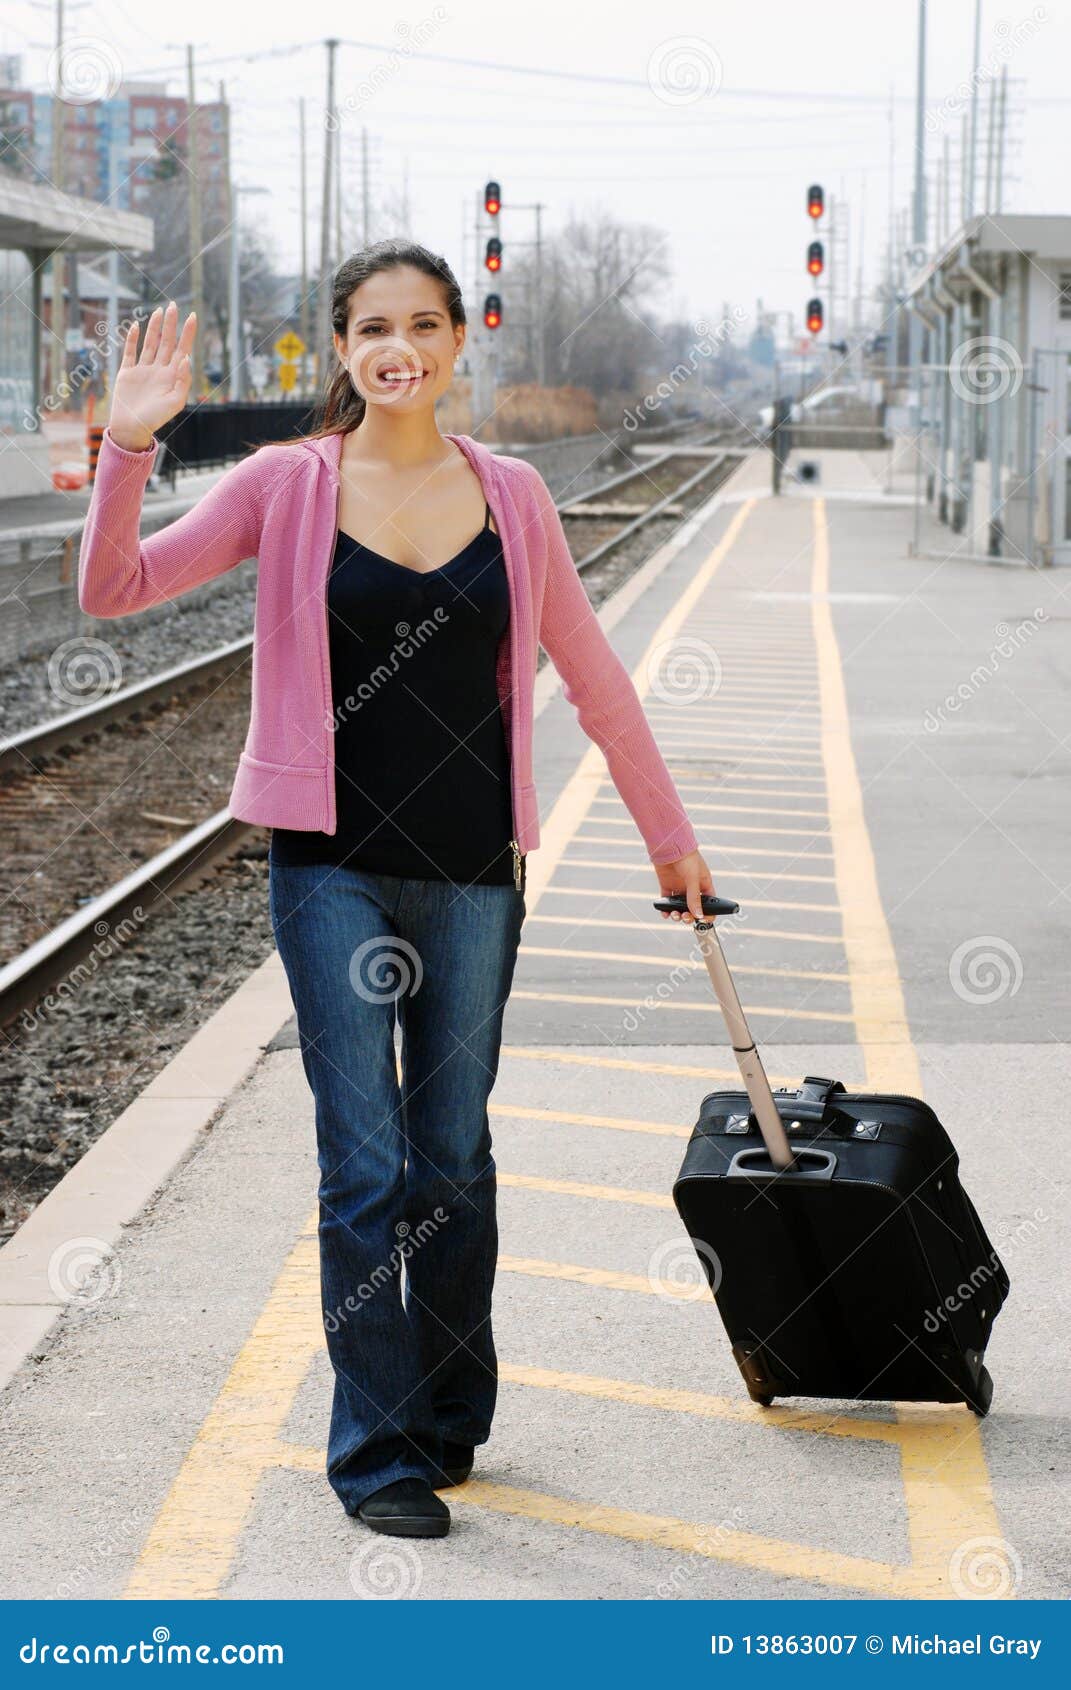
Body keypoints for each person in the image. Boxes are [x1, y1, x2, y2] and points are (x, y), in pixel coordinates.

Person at [79, 238, 713, 1539]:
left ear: (457, 341)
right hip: (331, 869)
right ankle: (376, 1452)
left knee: (455, 1162)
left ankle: (449, 1409)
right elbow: (116, 588)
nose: (400, 346)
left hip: (475, 869)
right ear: (342, 345)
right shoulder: (284, 484)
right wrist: (127, 449)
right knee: (364, 1165)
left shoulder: (516, 495)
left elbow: (589, 671)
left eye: (426, 323)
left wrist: (671, 840)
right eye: (375, 325)